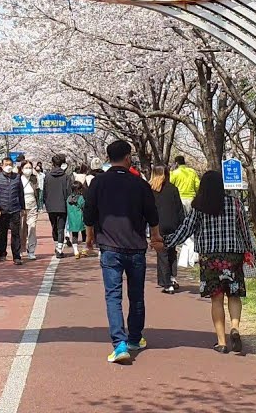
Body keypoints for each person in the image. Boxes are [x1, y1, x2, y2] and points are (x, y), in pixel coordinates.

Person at [84, 140, 164, 364]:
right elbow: (152, 213)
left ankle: (119, 344)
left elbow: (89, 213)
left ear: (109, 158)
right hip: (136, 247)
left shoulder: (98, 183)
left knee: (113, 296)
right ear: (128, 157)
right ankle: (135, 338)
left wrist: (90, 237)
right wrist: (156, 236)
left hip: (109, 248)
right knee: (136, 295)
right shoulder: (139, 183)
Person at [167, 169, 256, 354]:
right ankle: (235, 328)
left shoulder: (199, 206)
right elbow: (244, 230)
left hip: (210, 258)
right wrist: (251, 251)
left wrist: (167, 242)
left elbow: (186, 229)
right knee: (234, 295)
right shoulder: (235, 203)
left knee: (216, 299)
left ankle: (222, 342)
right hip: (233, 255)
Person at [149, 166, 186, 294]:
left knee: (162, 254)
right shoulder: (173, 189)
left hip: (157, 226)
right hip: (173, 225)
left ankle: (167, 284)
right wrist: (182, 225)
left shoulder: (151, 190)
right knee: (172, 252)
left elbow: (147, 210)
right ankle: (172, 278)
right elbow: (179, 209)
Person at [0, 159, 26, 265]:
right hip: (1, 210)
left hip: (15, 209)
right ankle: (2, 253)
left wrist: (23, 207)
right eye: (6, 165)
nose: (8, 166)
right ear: (2, 166)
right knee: (2, 232)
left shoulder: (17, 177)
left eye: (10, 164)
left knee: (16, 233)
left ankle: (16, 256)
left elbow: (21, 194)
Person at [169, 156, 201, 268]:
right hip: (191, 200)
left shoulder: (175, 173)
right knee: (192, 225)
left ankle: (184, 248)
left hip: (179, 200)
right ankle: (193, 253)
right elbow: (198, 185)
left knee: (182, 225)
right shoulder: (192, 172)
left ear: (176, 163)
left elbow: (169, 185)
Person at [42, 154, 72, 258]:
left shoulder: (47, 176)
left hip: (50, 206)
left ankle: (57, 246)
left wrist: (46, 203)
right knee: (61, 228)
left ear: (52, 163)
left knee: (54, 226)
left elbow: (44, 193)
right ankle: (59, 249)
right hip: (62, 206)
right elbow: (69, 193)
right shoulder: (66, 177)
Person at [20, 162, 41, 260]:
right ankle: (20, 249)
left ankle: (31, 250)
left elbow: (38, 191)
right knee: (21, 229)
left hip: (32, 205)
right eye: (26, 167)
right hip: (21, 207)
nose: (28, 169)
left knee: (32, 228)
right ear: (22, 169)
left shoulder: (34, 179)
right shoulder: (18, 179)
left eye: (30, 167)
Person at [66, 181, 87, 259]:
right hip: (81, 219)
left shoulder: (68, 198)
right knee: (84, 234)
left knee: (74, 235)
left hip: (72, 220)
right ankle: (84, 249)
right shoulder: (80, 198)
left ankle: (76, 251)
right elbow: (84, 207)